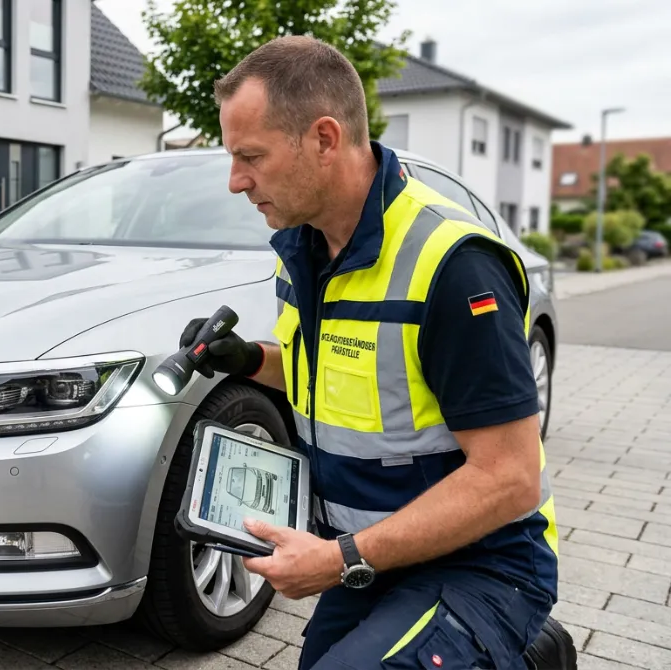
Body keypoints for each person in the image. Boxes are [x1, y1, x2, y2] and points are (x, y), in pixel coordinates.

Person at [178, 35, 558, 669]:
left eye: (251, 157)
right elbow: (335, 371)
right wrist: (246, 359)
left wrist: (338, 560)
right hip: (381, 552)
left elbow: (510, 477)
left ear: (325, 138)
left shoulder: (455, 269)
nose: (235, 181)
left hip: (482, 564)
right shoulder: (306, 249)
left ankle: (524, 647)